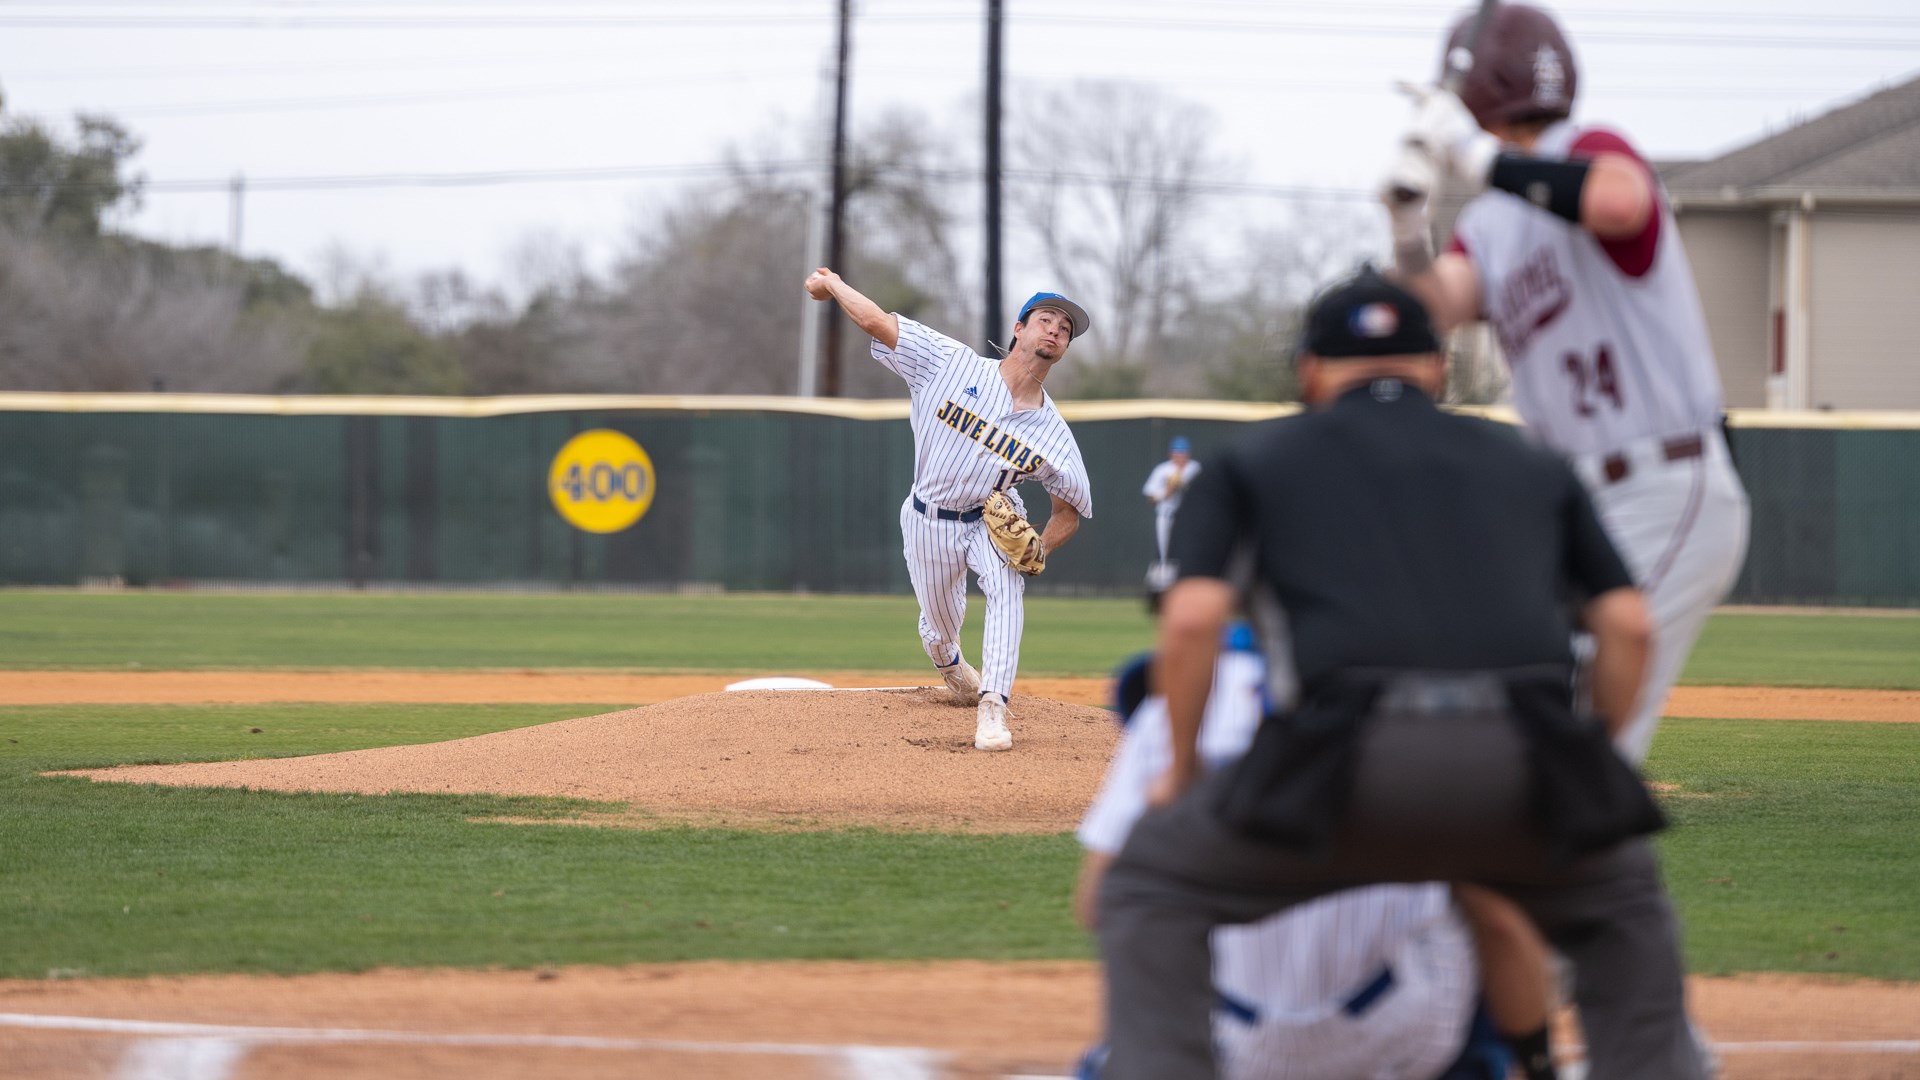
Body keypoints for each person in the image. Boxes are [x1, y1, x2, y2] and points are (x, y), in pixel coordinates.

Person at [1095, 268, 1704, 1080]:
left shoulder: (1253, 460)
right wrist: (1583, 764)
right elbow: (1629, 625)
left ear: (1310, 372)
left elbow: (1193, 619)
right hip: (1524, 766)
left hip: (1342, 766)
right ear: (1438, 367)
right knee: (1623, 906)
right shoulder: (1533, 462)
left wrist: (1178, 775)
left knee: (1148, 885)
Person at [1382, 1, 1750, 766]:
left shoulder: (1591, 150)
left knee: (1565, 737)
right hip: (1573, 503)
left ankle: (1576, 871)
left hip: (1663, 476)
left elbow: (1619, 202)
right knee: (1509, 704)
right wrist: (1407, 233)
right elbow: (1436, 311)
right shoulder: (1487, 222)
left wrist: (1473, 156)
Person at [1074, 626, 1511, 1080]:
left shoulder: (1185, 704)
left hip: (1221, 1036)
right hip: (1399, 1038)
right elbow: (1501, 922)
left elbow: (1097, 906)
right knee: (1473, 895)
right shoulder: (1438, 702)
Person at [803, 267, 1094, 751]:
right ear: (1019, 329)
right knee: (940, 625)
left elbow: (1069, 511)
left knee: (1007, 590)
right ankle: (950, 663)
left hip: (990, 520)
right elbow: (877, 322)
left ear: (1063, 349)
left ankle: (993, 707)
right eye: (1046, 320)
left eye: (1065, 330)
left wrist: (1039, 546)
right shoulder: (949, 363)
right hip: (927, 518)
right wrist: (831, 284)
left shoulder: (1054, 435)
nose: (1056, 331)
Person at [1142, 437, 1202, 568]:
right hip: (1166, 515)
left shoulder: (1195, 468)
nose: (1180, 457)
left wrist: (1185, 486)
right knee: (1165, 555)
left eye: (1183, 453)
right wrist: (1166, 492)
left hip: (1188, 518)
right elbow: (1149, 497)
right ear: (1171, 454)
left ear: (1188, 454)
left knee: (1188, 552)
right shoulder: (1162, 470)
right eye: (1177, 453)